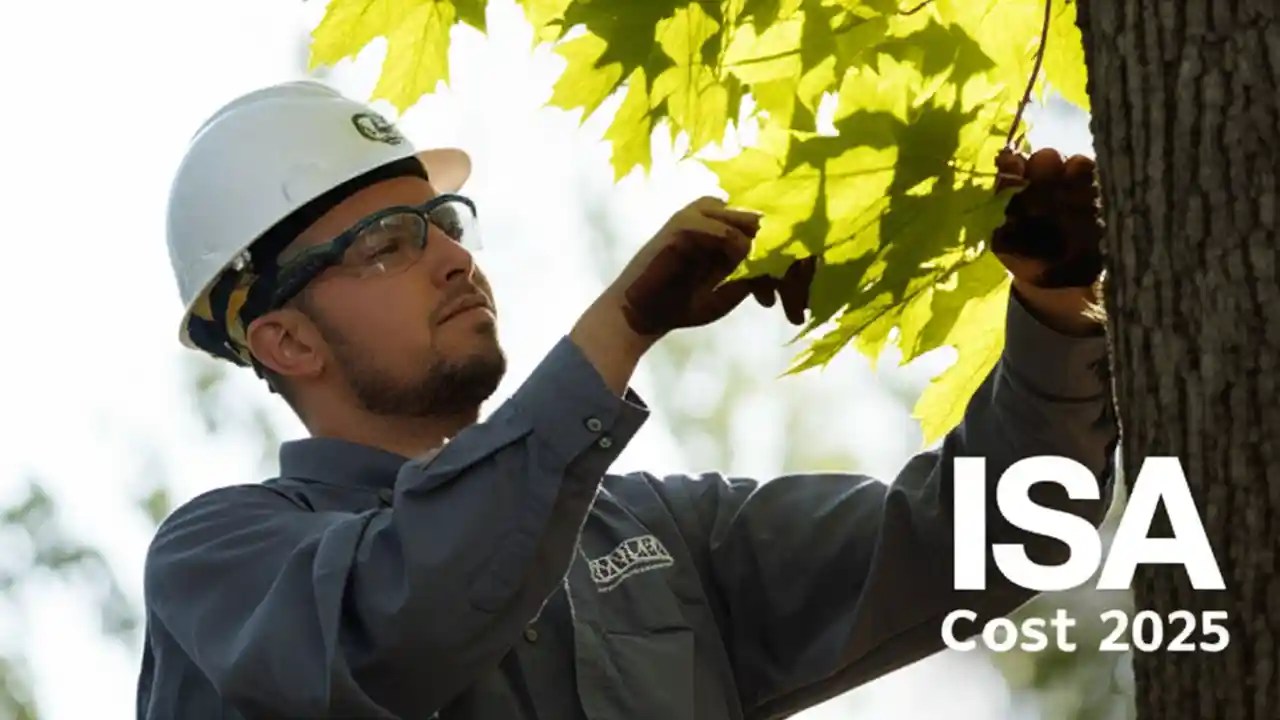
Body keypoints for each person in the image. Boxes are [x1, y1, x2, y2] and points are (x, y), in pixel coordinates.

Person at [138, 80, 1117, 720]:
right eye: (389, 242)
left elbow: (972, 542)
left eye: (442, 223)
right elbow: (405, 617)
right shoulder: (218, 569)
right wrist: (621, 326)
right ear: (286, 338)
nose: (451, 257)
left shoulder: (655, 535)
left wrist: (1057, 303)